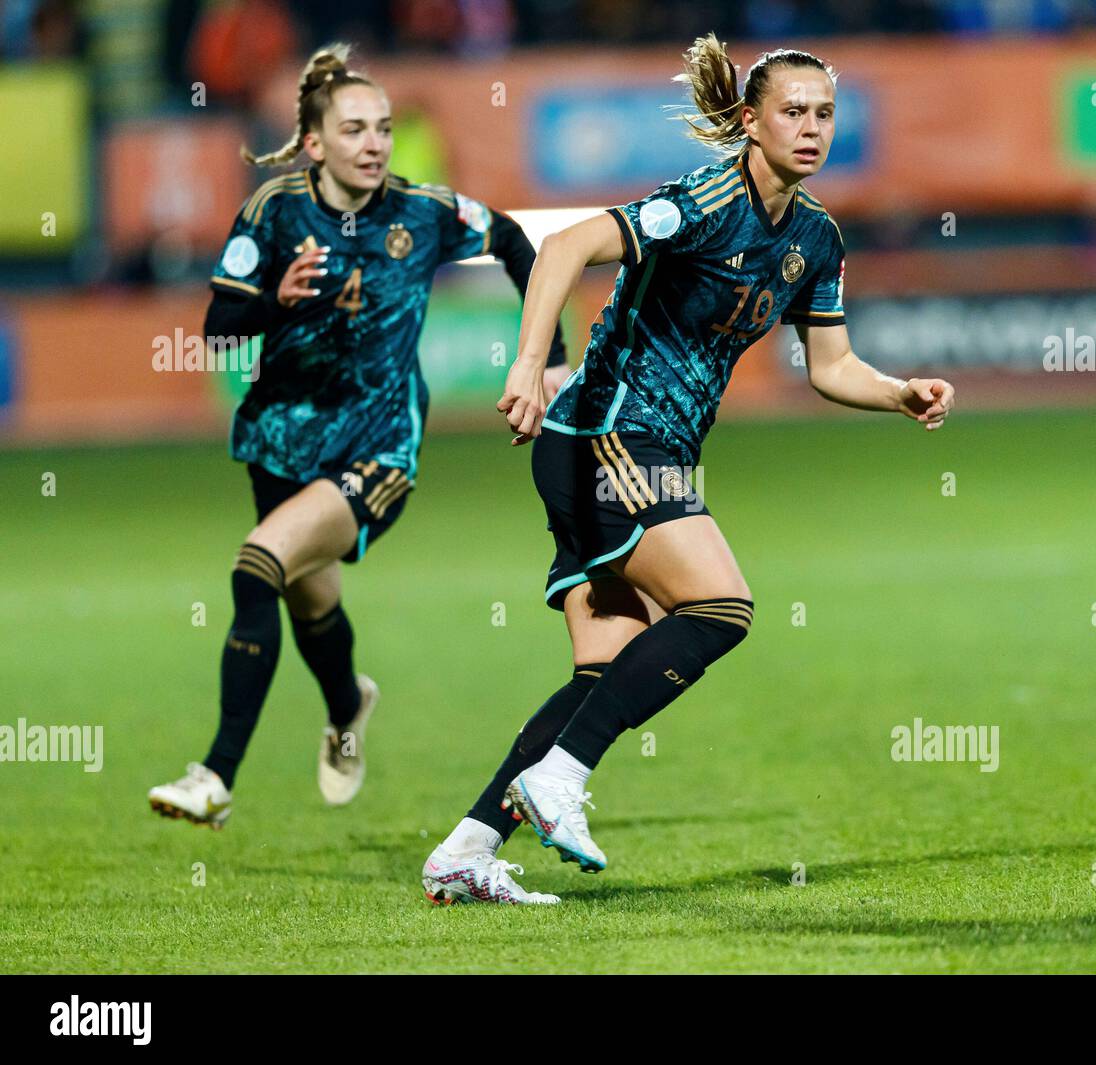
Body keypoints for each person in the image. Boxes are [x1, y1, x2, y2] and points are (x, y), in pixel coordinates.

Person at [420, 34, 954, 904]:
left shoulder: (815, 238)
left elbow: (829, 366)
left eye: (824, 113)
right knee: (722, 604)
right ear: (751, 120)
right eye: (792, 112)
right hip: (608, 434)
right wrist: (526, 363)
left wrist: (899, 393)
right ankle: (560, 779)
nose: (812, 128)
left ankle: (468, 848)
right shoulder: (700, 202)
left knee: (603, 674)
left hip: (639, 447)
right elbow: (562, 251)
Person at [148, 43, 569, 828]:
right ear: (314, 144)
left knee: (256, 568)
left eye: (382, 127)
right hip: (280, 440)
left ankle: (215, 776)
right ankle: (348, 706)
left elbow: (516, 241)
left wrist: (547, 357)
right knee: (311, 606)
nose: (375, 143)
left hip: (378, 447)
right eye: (354, 130)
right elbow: (218, 331)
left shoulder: (424, 212)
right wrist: (275, 300)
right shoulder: (272, 214)